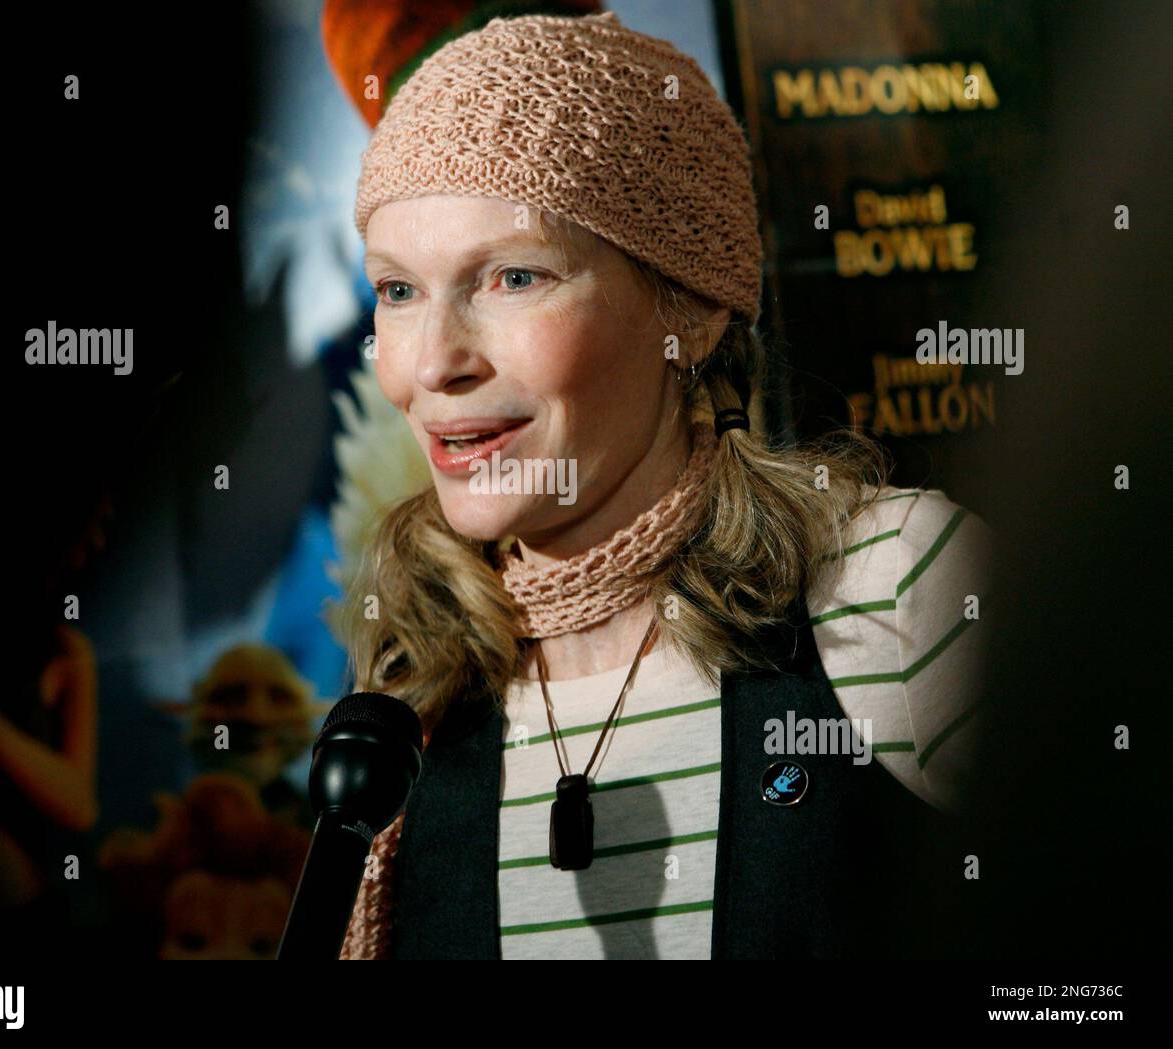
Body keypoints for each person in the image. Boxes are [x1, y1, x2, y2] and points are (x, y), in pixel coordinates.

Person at [334, 11, 995, 960]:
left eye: (515, 277)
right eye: (397, 290)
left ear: (688, 306)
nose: (432, 363)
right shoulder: (409, 694)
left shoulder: (889, 587)